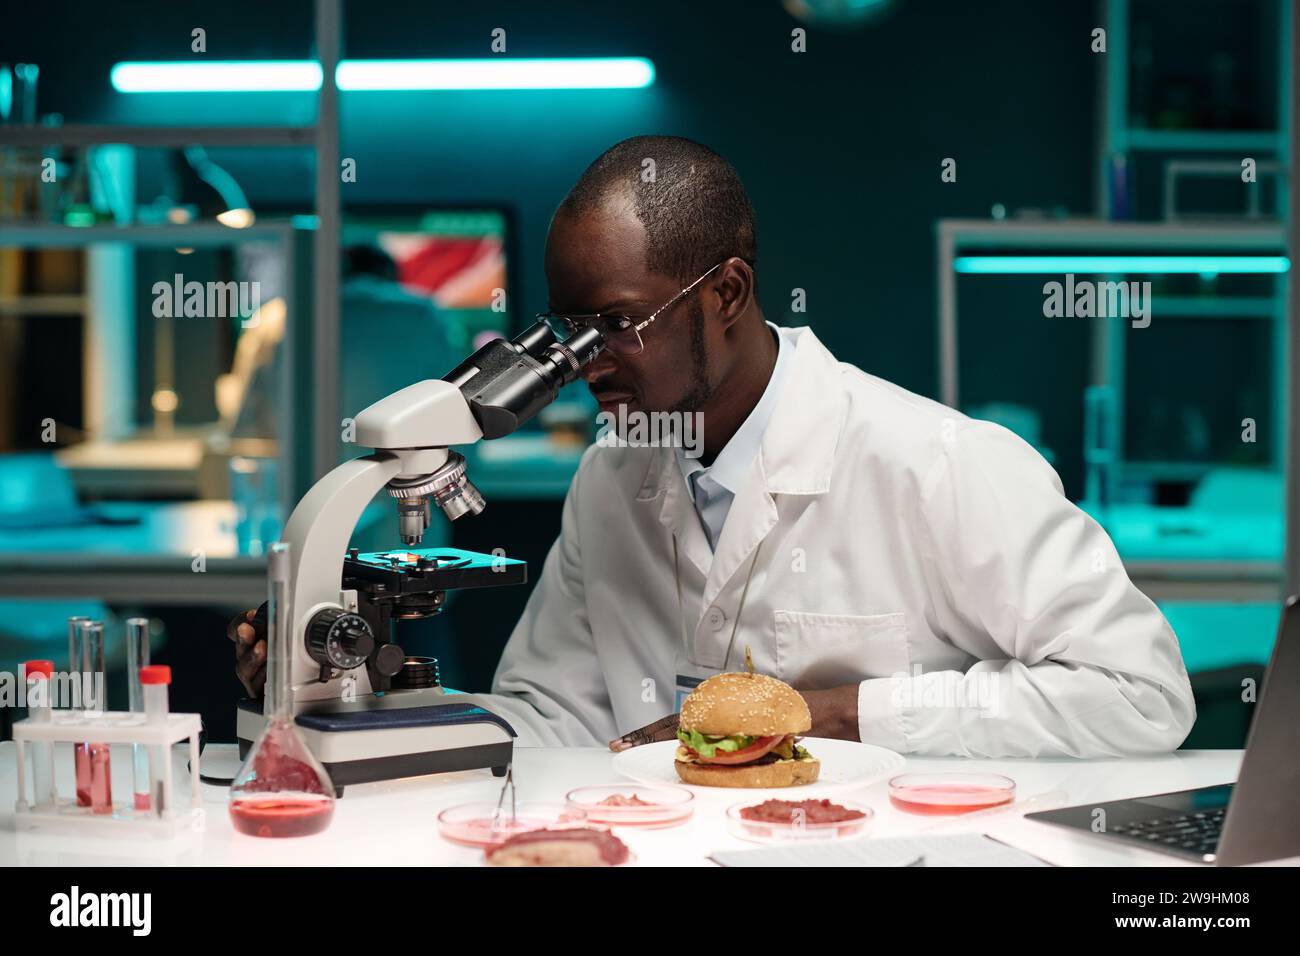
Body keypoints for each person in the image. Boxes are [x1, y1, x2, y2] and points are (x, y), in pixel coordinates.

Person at [232, 136, 1196, 758]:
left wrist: (825, 710)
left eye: (614, 324)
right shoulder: (613, 477)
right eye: (564, 331)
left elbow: (1141, 695)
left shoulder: (938, 463)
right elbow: (560, 722)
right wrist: (347, 706)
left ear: (727, 294)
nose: (584, 365)